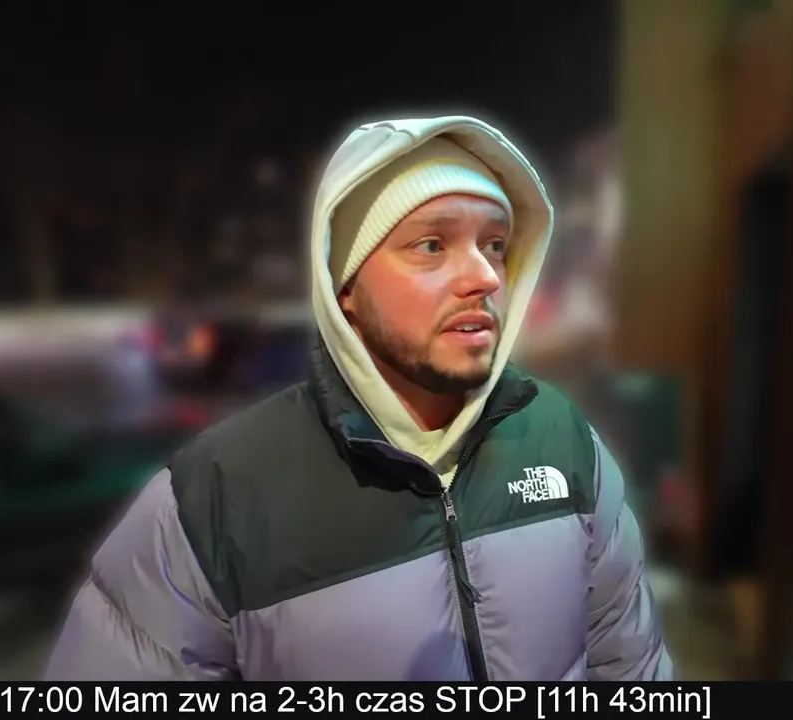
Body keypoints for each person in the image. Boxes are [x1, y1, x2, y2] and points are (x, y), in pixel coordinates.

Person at [44, 116, 673, 681]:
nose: (485, 277)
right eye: (432, 245)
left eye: (495, 246)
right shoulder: (212, 500)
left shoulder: (565, 443)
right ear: (344, 286)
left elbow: (631, 666)